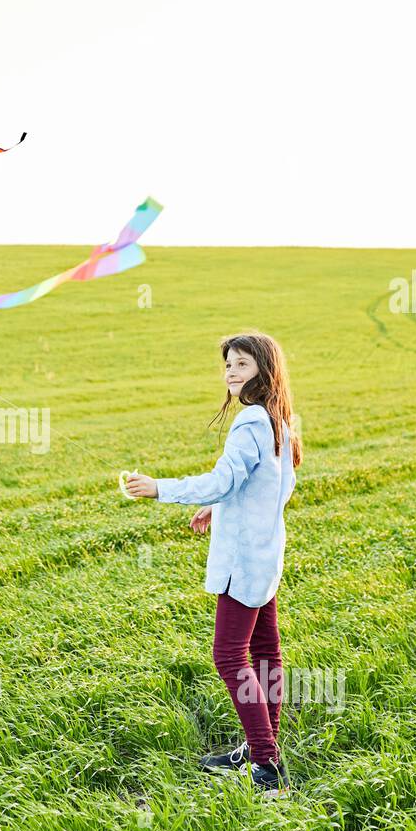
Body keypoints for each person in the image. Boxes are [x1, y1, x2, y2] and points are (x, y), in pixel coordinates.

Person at [125, 332, 301, 795]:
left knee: (228, 656)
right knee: (265, 655)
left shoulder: (250, 422)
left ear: (264, 370)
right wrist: (219, 506)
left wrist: (159, 487)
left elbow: (224, 479)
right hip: (265, 554)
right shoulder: (279, 420)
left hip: (244, 560)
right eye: (227, 364)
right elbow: (271, 487)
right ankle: (262, 749)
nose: (230, 372)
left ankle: (265, 765)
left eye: (241, 365)